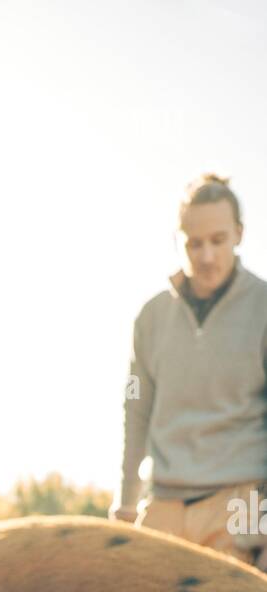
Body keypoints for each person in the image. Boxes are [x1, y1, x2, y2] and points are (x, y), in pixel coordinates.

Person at [111, 173, 267, 565]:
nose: (207, 256)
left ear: (239, 234)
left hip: (240, 506)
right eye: (194, 243)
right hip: (163, 504)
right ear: (177, 239)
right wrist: (125, 504)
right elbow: (136, 412)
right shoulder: (151, 317)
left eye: (218, 240)